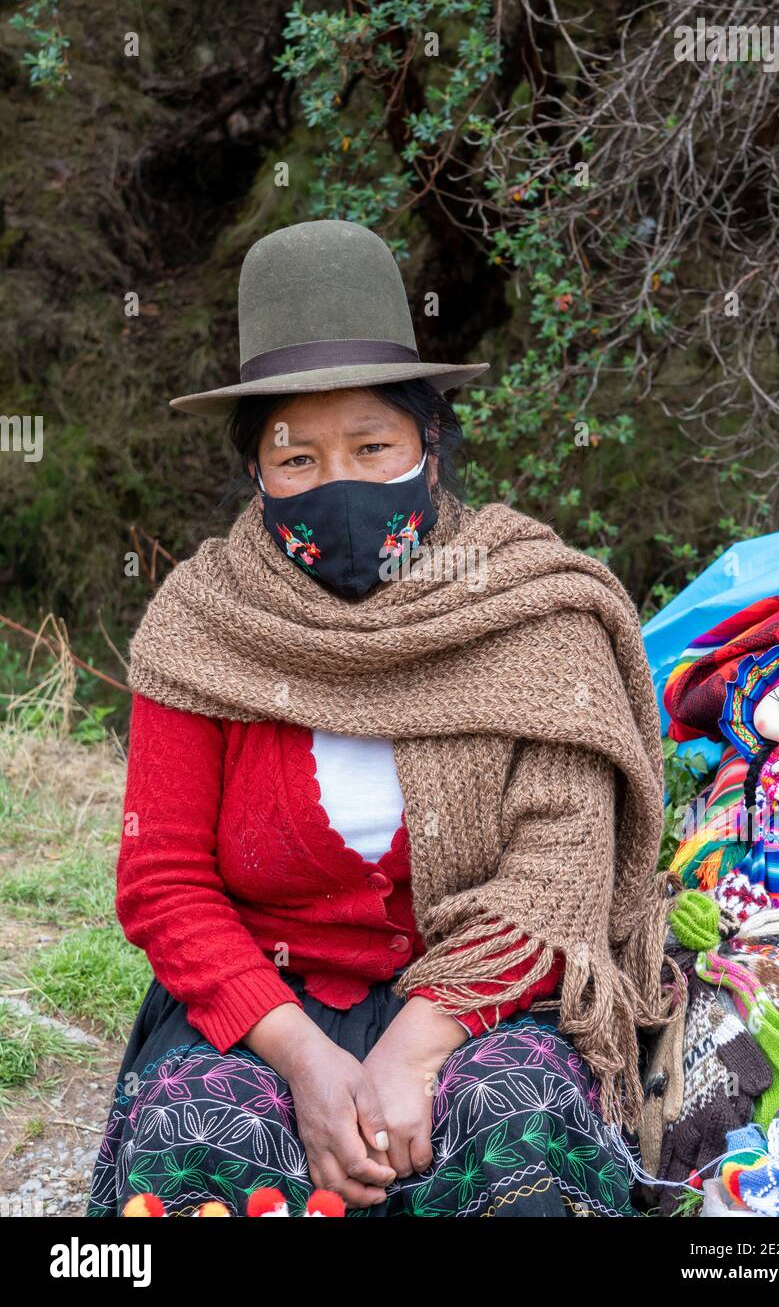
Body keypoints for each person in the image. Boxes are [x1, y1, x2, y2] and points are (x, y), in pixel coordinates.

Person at [87, 220, 674, 1218]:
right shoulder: (202, 625)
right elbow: (165, 880)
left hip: (485, 1002)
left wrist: (417, 1044)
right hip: (265, 1013)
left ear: (429, 449)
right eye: (297, 457)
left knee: (522, 1153)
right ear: (256, 471)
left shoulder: (533, 610)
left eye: (372, 446)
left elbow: (558, 868)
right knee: (198, 1161)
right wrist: (307, 1065)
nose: (339, 482)